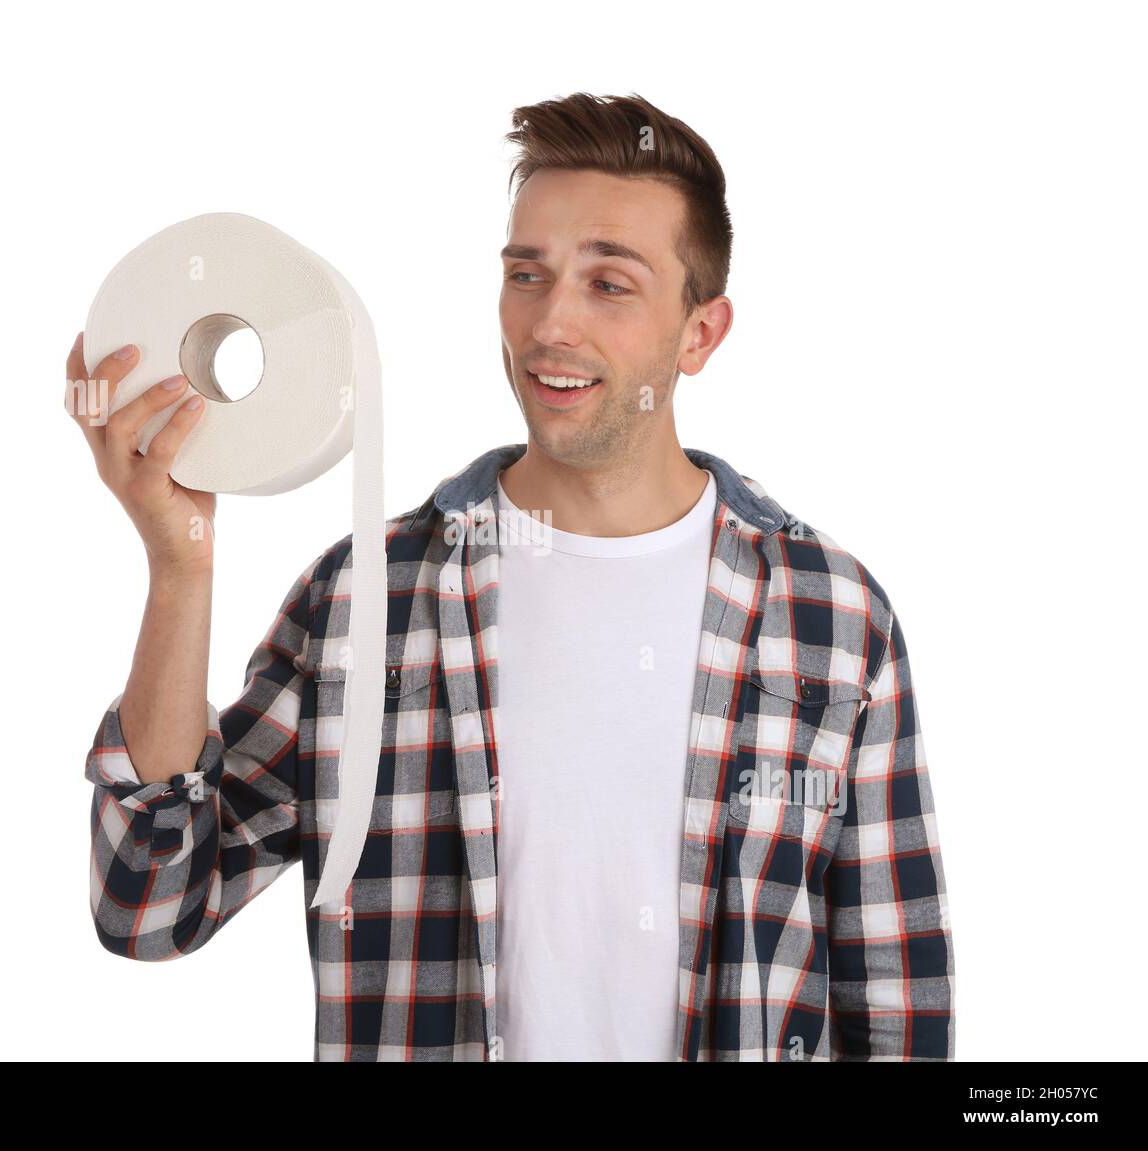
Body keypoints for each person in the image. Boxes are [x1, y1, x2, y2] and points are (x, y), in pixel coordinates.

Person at [65, 91, 954, 1062]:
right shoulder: (370, 602)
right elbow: (149, 902)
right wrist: (179, 566)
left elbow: (897, 1012)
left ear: (699, 332)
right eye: (526, 274)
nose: (550, 323)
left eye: (608, 283)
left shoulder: (828, 616)